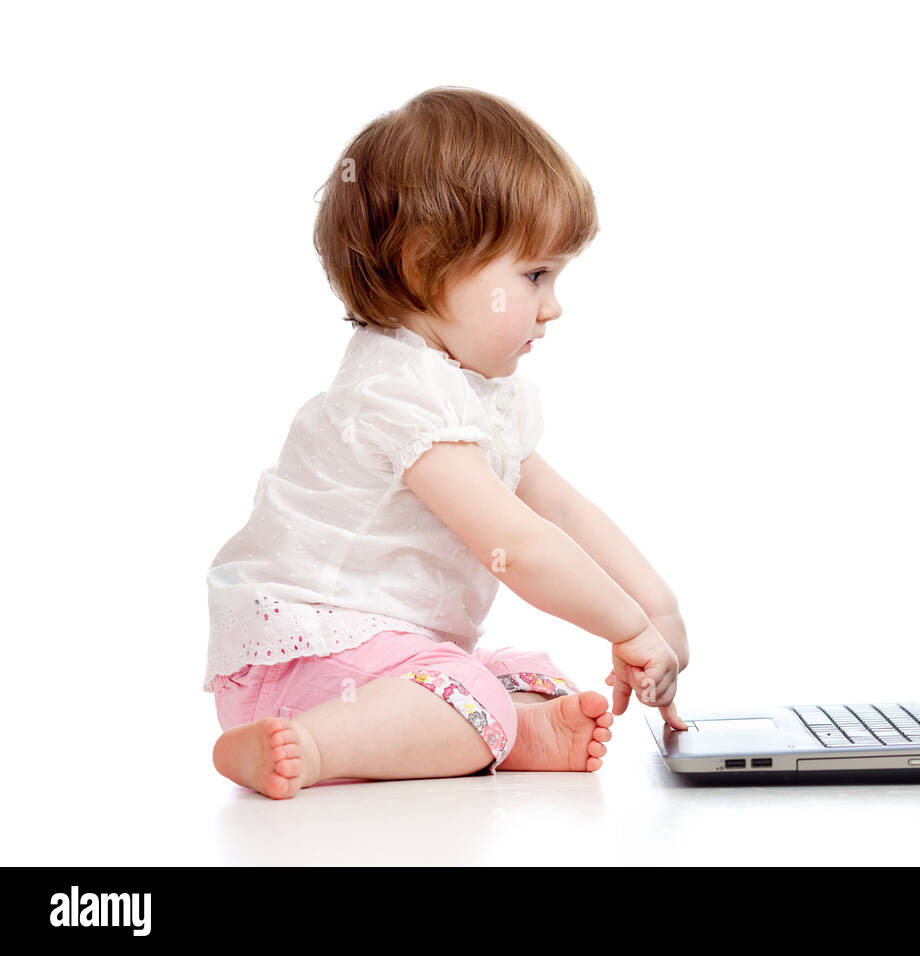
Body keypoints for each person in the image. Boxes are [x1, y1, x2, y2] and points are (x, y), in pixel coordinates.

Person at [207, 86, 688, 799]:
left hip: (378, 659)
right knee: (469, 688)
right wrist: (626, 627)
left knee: (525, 672)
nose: (553, 307)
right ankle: (305, 745)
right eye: (534, 275)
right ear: (426, 263)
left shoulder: (477, 396)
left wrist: (656, 611)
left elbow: (563, 513)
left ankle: (508, 730)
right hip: (301, 662)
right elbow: (520, 545)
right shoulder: (394, 391)